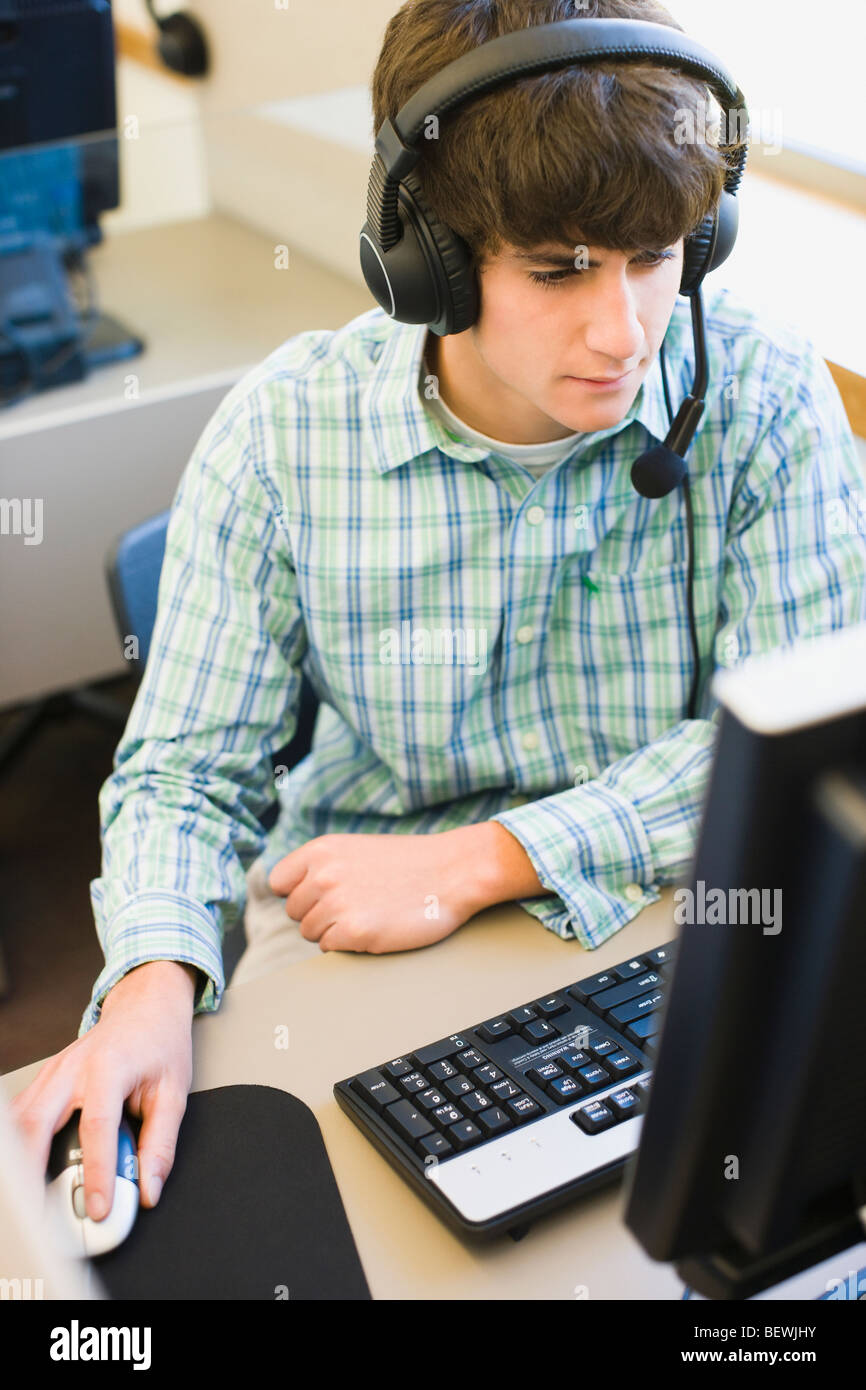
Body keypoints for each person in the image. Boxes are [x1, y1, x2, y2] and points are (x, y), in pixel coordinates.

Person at [13, 0, 866, 1230]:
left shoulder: (762, 399)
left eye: (656, 254)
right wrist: (150, 974)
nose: (621, 330)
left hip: (655, 922)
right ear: (429, 257)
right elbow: (188, 772)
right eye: (559, 268)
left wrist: (485, 860)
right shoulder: (283, 434)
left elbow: (789, 749)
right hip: (355, 939)